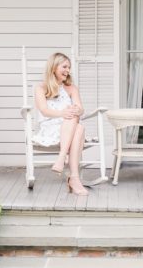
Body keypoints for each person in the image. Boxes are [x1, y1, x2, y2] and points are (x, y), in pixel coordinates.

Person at [33, 52, 89, 195]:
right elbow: (44, 110)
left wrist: (77, 109)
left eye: (69, 67)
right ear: (53, 67)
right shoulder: (41, 88)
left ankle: (62, 158)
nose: (67, 70)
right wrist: (62, 113)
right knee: (78, 126)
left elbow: (80, 108)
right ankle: (74, 178)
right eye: (64, 67)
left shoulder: (71, 88)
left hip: (68, 128)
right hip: (51, 129)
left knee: (76, 121)